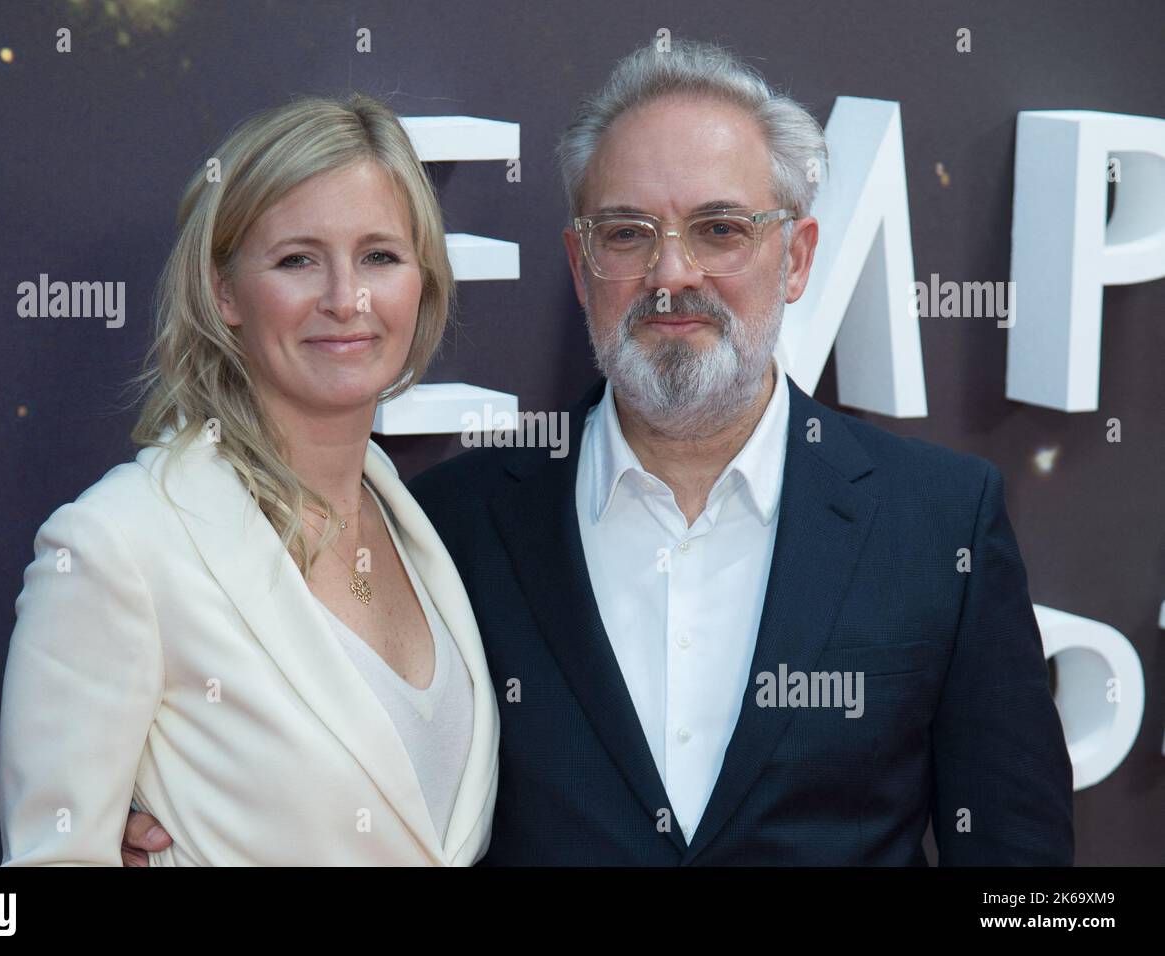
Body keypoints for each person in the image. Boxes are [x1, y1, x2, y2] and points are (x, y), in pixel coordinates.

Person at [123, 39, 1074, 866]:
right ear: (583, 269)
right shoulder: (449, 528)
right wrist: (188, 826)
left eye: (720, 230)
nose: (672, 275)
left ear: (795, 256)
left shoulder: (939, 521)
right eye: (628, 234)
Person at [0, 93, 500, 866]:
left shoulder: (424, 532)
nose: (346, 298)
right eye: (298, 259)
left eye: (380, 256)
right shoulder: (119, 547)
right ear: (224, 291)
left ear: (423, 284)